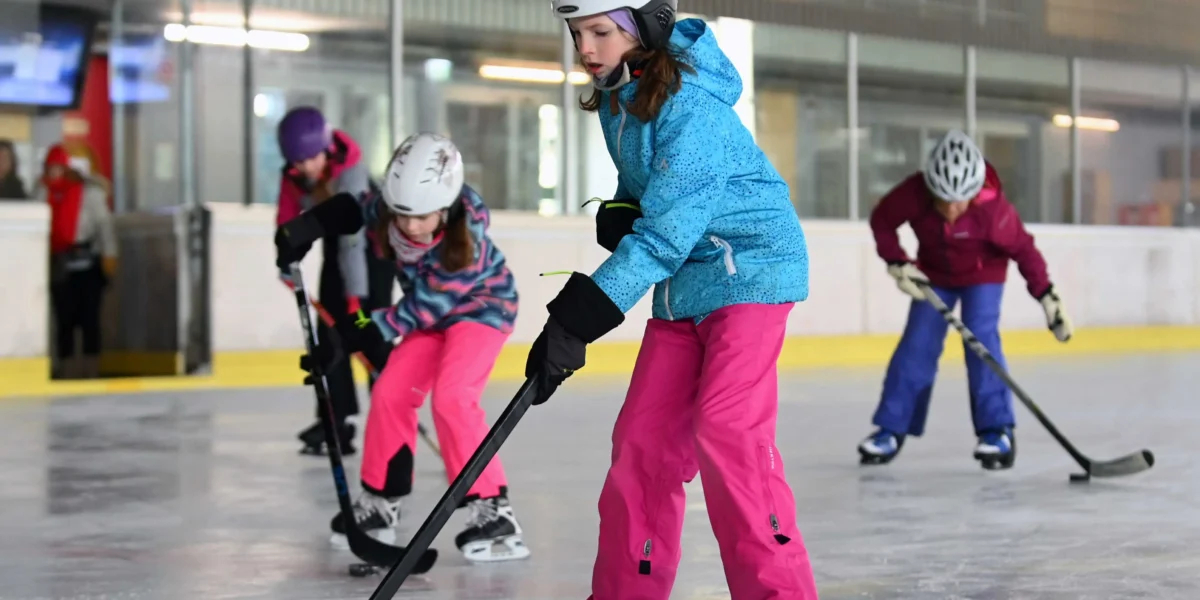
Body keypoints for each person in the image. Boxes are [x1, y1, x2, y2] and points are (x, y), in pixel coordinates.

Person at [526, 2, 819, 597]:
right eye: (577, 33)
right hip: (686, 281)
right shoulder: (620, 96)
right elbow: (649, 184)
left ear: (646, 28)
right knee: (643, 442)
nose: (585, 48)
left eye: (600, 31)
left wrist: (579, 318)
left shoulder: (691, 108)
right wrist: (623, 205)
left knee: (728, 430)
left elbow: (663, 236)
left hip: (750, 268)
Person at [312, 133, 528, 563]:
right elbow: (357, 208)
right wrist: (306, 228)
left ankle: (494, 510)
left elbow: (423, 307)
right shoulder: (391, 209)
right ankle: (381, 501)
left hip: (482, 310)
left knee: (452, 398)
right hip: (428, 318)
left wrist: (364, 328)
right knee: (390, 392)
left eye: (422, 217)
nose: (410, 226)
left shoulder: (467, 238)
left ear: (445, 207)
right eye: (402, 215)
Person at [858, 129, 1073, 470]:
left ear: (974, 192)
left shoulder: (993, 211)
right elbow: (882, 220)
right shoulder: (914, 193)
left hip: (983, 276)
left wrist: (1047, 296)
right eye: (943, 199)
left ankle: (997, 431)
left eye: (960, 200)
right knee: (916, 346)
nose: (951, 209)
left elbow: (1024, 251)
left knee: (981, 342)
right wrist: (897, 262)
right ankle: (891, 429)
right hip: (933, 275)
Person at [274, 106, 393, 456]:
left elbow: (352, 241)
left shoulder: (351, 173)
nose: (306, 167)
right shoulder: (293, 176)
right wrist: (286, 261)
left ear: (326, 149)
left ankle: (390, 414)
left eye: (312, 158)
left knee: (369, 332)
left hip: (372, 251)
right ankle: (336, 423)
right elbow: (286, 221)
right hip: (334, 247)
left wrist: (356, 298)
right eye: (298, 161)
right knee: (329, 337)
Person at [39, 144, 117, 379]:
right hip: (59, 263)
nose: (54, 173)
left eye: (58, 167)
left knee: (89, 318)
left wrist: (109, 257)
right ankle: (67, 369)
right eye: (50, 168)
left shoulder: (89, 193)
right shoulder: (42, 192)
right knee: (64, 319)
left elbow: (105, 228)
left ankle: (91, 368)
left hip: (88, 263)